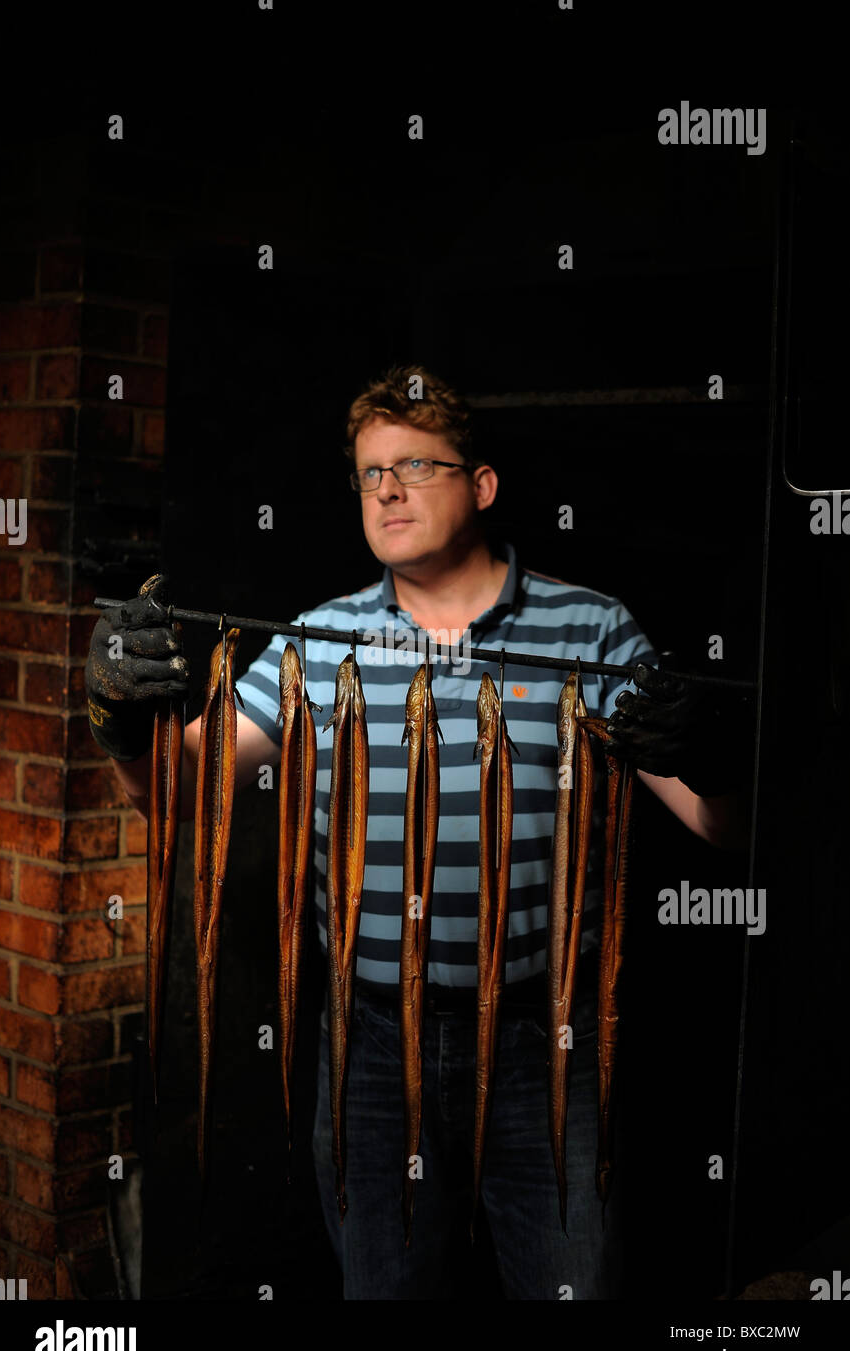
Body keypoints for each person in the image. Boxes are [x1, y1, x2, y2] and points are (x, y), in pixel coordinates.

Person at [85, 365, 751, 1300]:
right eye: (368, 474)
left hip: (545, 1054)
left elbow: (718, 829)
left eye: (415, 466)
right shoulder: (319, 639)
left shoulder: (590, 630)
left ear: (479, 486)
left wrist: (718, 763)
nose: (387, 490)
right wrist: (118, 719)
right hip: (367, 1052)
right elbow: (181, 789)